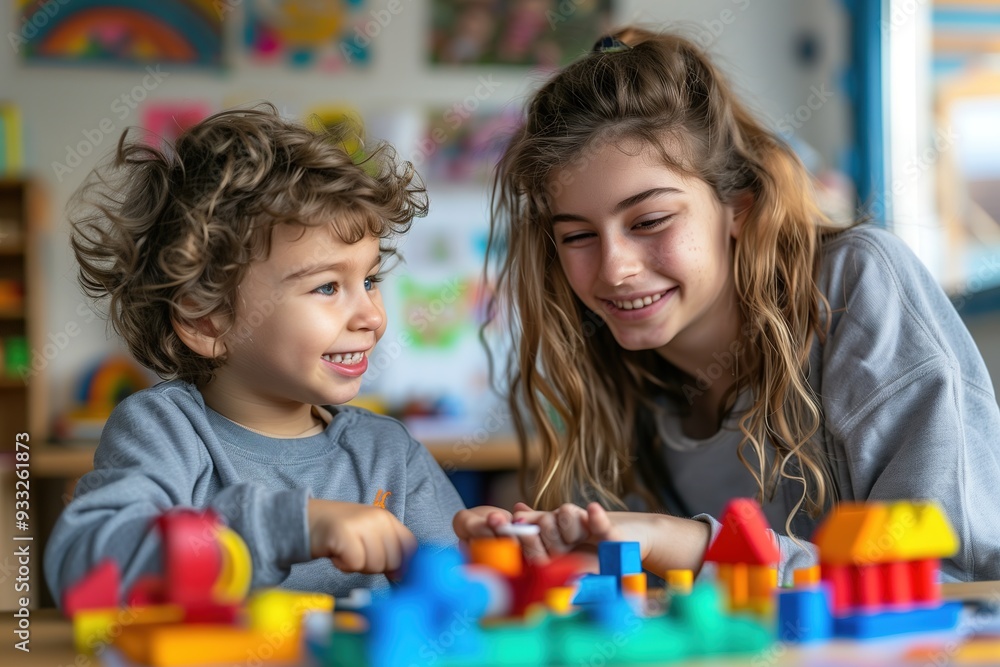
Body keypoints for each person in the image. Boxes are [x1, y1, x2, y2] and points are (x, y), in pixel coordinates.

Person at [454, 27, 1000, 583]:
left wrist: (690, 543)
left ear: (738, 207)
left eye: (649, 222)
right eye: (577, 236)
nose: (615, 269)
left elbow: (949, 577)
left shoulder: (853, 285)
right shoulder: (607, 374)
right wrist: (551, 557)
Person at [45, 105, 465, 604]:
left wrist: (498, 554)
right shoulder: (166, 434)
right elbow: (85, 572)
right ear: (208, 320)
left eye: (369, 280)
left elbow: (458, 600)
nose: (372, 316)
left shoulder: (389, 455)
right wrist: (285, 526)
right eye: (328, 286)